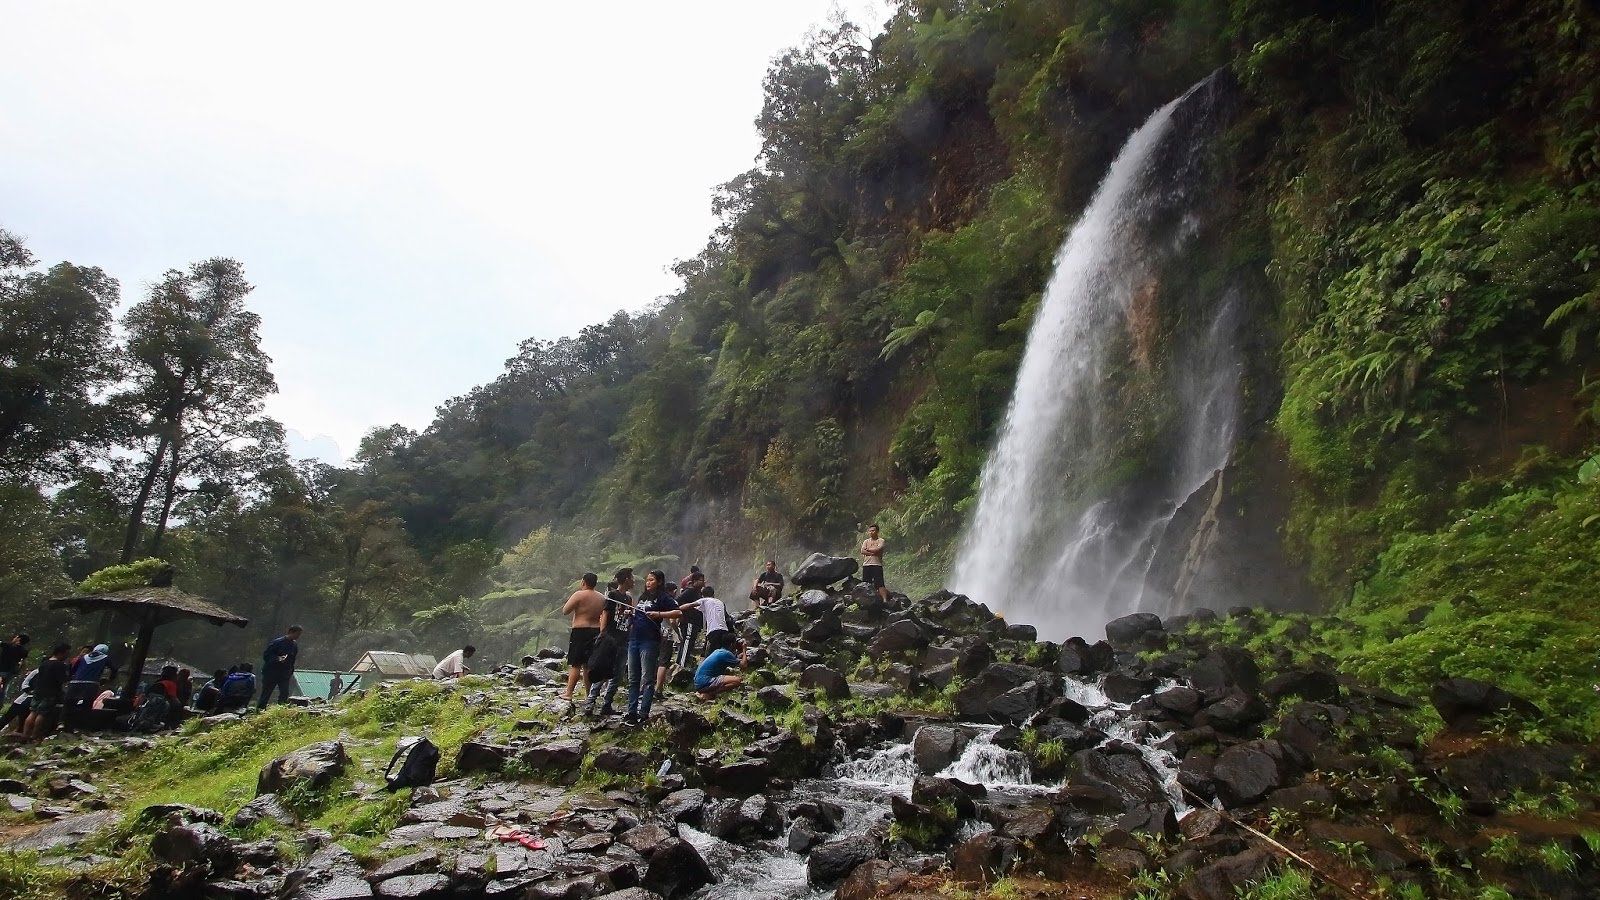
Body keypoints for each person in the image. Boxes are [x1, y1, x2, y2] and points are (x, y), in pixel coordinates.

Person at [624, 570, 680, 726]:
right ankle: (631, 712)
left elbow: (678, 612)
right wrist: (631, 613)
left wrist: (659, 614)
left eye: (651, 580)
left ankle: (643, 712)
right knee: (633, 678)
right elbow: (639, 614)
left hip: (650, 641)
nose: (648, 582)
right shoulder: (643, 597)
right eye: (647, 580)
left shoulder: (663, 597)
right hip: (634, 638)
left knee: (647, 678)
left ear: (660, 582)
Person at [583, 569, 634, 719]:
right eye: (631, 578)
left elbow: (628, 617)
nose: (634, 581)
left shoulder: (628, 599)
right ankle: (590, 703)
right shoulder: (613, 595)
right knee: (602, 671)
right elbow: (605, 615)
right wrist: (603, 634)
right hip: (610, 640)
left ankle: (606, 704)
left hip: (623, 639)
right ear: (625, 579)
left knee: (616, 675)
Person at [560, 573, 607, 702]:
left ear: (583, 582)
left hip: (580, 631)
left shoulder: (579, 595)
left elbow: (565, 610)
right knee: (588, 665)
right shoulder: (601, 598)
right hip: (595, 631)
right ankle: (588, 695)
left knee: (575, 664)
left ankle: (569, 693)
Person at [23, 643, 71, 742]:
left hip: (38, 691)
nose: (67, 656)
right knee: (42, 714)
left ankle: (25, 735)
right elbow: (62, 680)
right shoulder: (59, 665)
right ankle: (34, 735)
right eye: (66, 653)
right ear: (61, 653)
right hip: (50, 692)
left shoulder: (44, 663)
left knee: (33, 712)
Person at [258, 625, 302, 708]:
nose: (298, 636)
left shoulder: (294, 645)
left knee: (284, 693)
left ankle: (280, 709)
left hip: (284, 673)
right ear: (291, 632)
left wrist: (291, 671)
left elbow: (293, 659)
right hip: (271, 672)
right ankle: (260, 709)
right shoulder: (277, 642)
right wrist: (276, 659)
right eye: (297, 634)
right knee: (266, 693)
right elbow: (266, 655)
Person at [685, 586, 734, 653]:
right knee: (723, 652)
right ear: (713, 594)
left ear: (702, 596)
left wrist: (676, 609)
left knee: (713, 654)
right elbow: (727, 618)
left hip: (713, 631)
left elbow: (690, 605)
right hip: (724, 631)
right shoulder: (720, 602)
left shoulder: (704, 600)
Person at [861, 524, 889, 604]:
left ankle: (885, 600)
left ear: (877, 531)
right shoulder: (866, 541)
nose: (871, 532)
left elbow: (878, 549)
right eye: (870, 531)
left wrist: (868, 550)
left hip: (877, 564)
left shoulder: (881, 540)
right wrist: (872, 552)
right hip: (866, 564)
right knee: (866, 583)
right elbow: (862, 551)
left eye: (873, 530)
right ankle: (866, 601)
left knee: (879, 583)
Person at [0, 633, 30, 700]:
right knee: (4, 690)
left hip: (1, 670)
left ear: (18, 638)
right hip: (11, 672)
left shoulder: (6, 646)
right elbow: (24, 663)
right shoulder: (23, 651)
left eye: (15, 637)